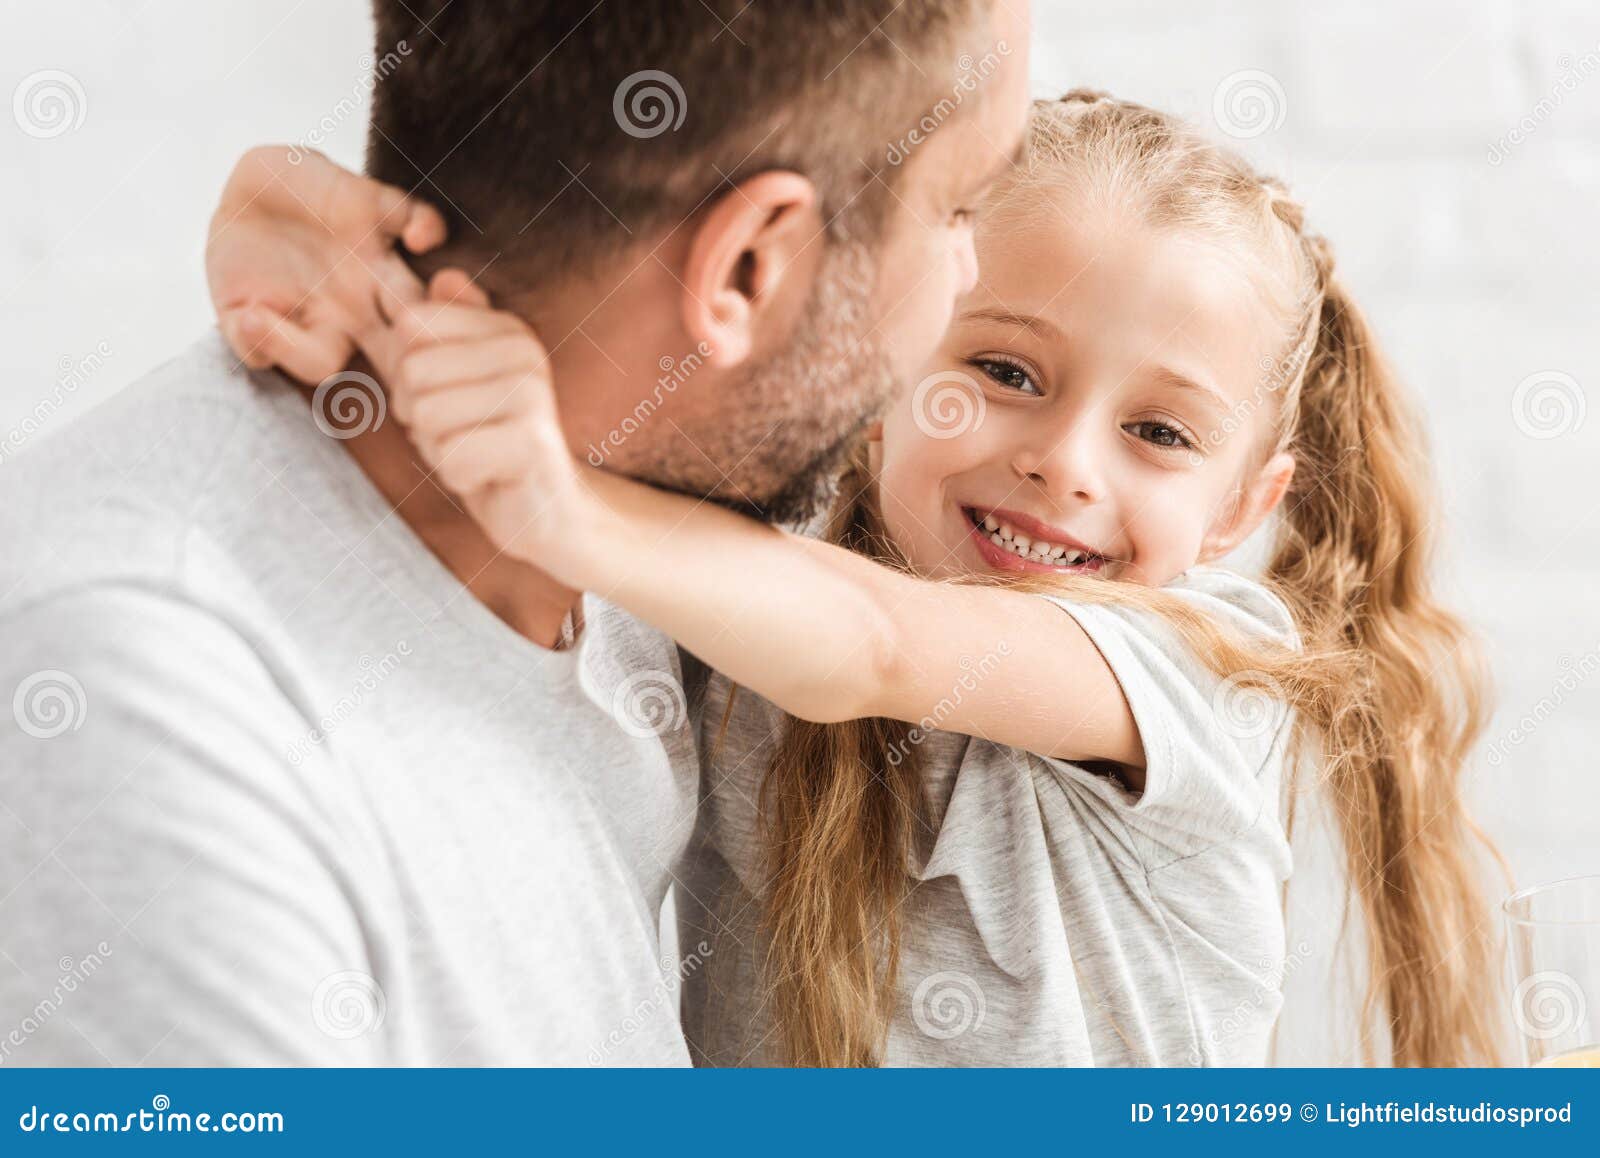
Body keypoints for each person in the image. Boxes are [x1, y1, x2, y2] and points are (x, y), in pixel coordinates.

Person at [313, 93, 1509, 1066]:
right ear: (887, 369)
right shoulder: (745, 588)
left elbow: (875, 651)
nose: (1063, 462)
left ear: (1243, 507)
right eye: (1004, 369)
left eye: (1160, 434)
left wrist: (561, 501)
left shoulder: (1196, 667)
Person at [0, 0, 1030, 1065]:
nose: (962, 282)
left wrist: (277, 184)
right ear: (744, 271)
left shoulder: (671, 483)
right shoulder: (147, 719)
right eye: (956, 209)